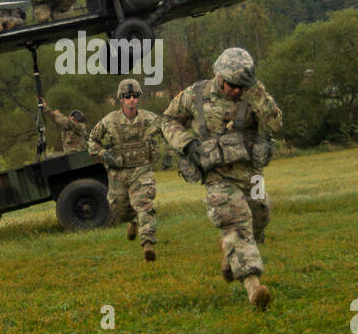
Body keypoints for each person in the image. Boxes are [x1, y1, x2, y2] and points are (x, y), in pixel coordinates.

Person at [160, 47, 281, 309]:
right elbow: (168, 120)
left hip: (252, 174)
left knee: (261, 212)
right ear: (220, 77)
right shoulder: (195, 94)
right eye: (232, 85)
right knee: (237, 223)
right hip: (218, 176)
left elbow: (274, 125)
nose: (237, 91)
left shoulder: (253, 93)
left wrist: (255, 92)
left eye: (242, 86)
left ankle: (229, 254)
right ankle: (253, 286)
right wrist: (186, 144)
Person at [88, 78, 161, 262]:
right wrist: (104, 154)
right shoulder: (109, 121)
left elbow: (169, 129)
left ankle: (148, 244)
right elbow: (92, 141)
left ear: (139, 98)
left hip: (141, 169)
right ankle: (132, 220)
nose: (131, 100)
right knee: (119, 208)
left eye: (135, 96)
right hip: (118, 172)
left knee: (144, 204)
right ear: (121, 99)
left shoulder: (149, 119)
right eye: (127, 96)